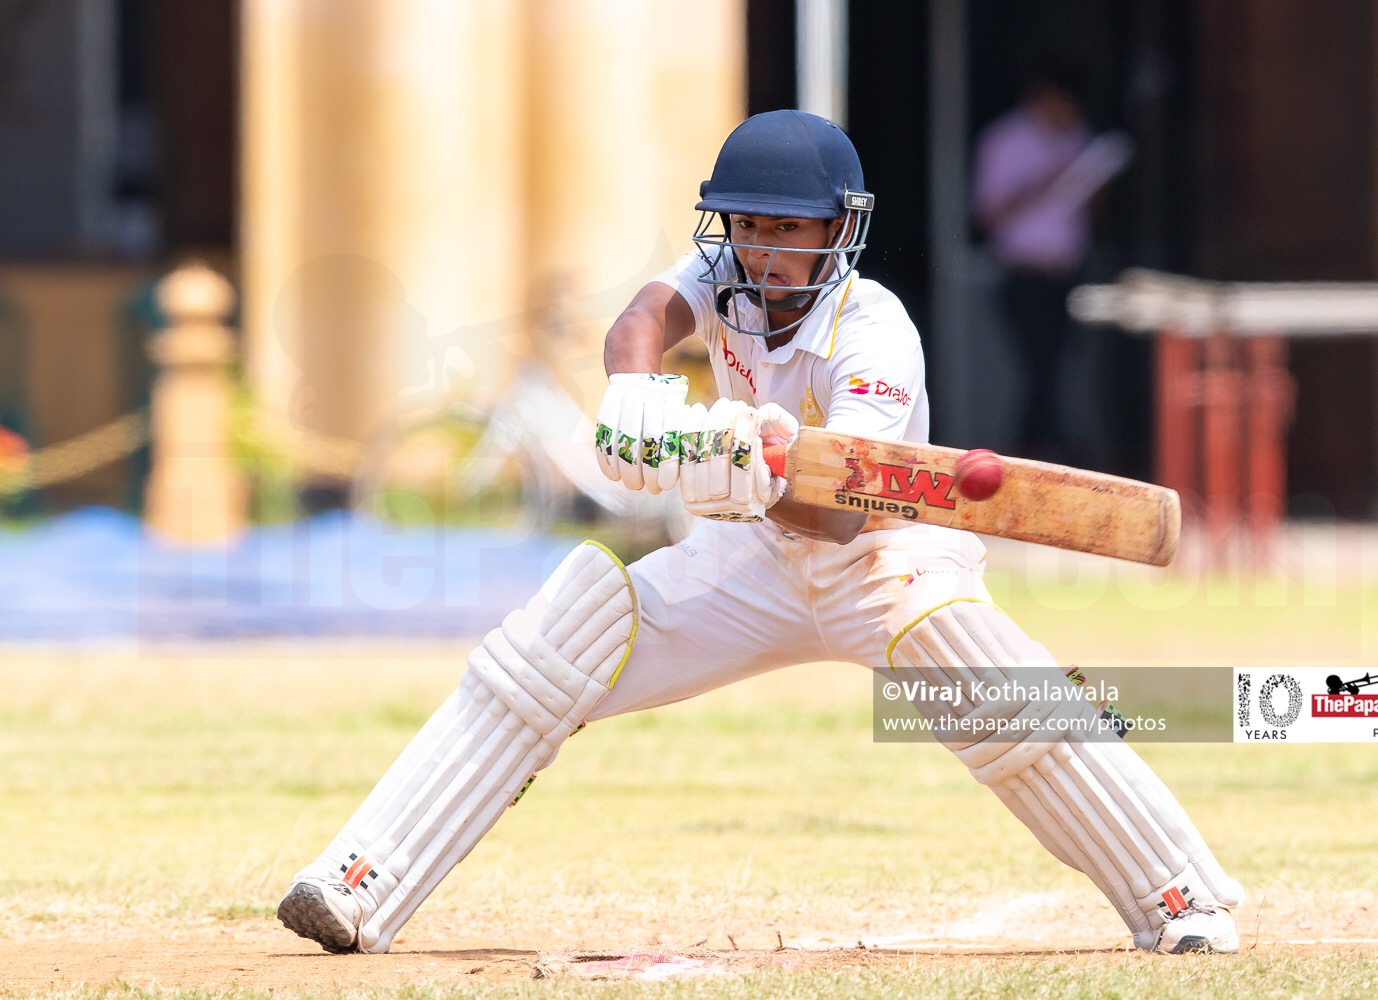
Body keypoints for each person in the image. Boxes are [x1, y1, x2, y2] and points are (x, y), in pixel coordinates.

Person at [275, 109, 1241, 956]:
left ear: (838, 228)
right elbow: (645, 317)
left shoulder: (875, 331)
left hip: (882, 556)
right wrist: (641, 397)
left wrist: (737, 472)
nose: (763, 247)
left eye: (786, 227)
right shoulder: (723, 267)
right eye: (745, 224)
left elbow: (845, 503)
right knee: (554, 646)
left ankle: (1180, 898)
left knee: (995, 683)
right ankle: (363, 881)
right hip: (752, 560)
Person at [972, 72, 1129, 464]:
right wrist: (1046, 180)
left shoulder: (1080, 137)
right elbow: (988, 212)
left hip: (1066, 275)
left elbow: (1089, 217)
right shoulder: (1005, 139)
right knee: (1040, 371)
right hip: (1024, 275)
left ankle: (1031, 458)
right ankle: (1055, 456)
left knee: (1055, 373)